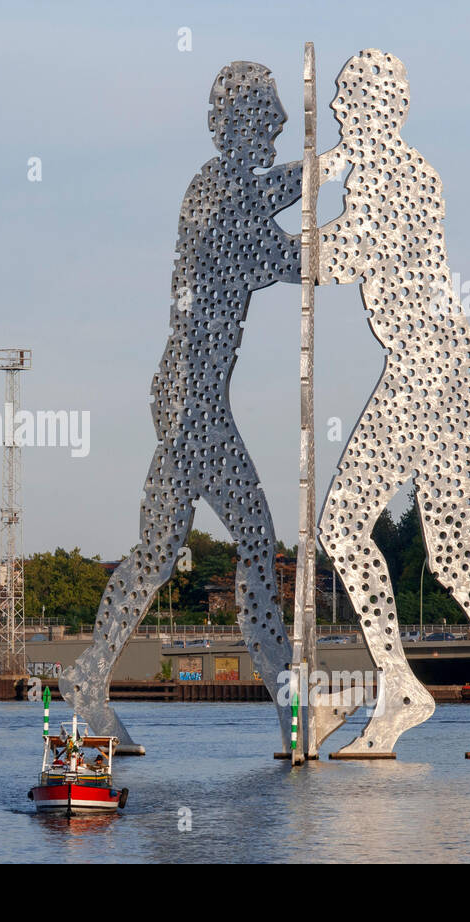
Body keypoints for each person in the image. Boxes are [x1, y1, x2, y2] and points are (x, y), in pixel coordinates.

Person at [314, 50, 470, 755]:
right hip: (438, 368)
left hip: (423, 369)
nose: (334, 111)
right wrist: (321, 169)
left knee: (343, 526)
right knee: (451, 556)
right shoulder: (390, 168)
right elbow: (343, 213)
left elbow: (342, 256)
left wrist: (268, 252)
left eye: (345, 100)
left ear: (375, 108)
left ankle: (402, 685)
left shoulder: (396, 176)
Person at [60, 62, 302, 750]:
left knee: (157, 554)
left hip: (186, 392)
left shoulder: (223, 190)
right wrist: (338, 179)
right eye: (269, 115)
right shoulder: (216, 193)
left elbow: (273, 208)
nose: (281, 126)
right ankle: (293, 710)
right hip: (192, 395)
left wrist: (324, 171)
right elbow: (281, 254)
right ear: (235, 125)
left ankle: (87, 675)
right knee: (255, 543)